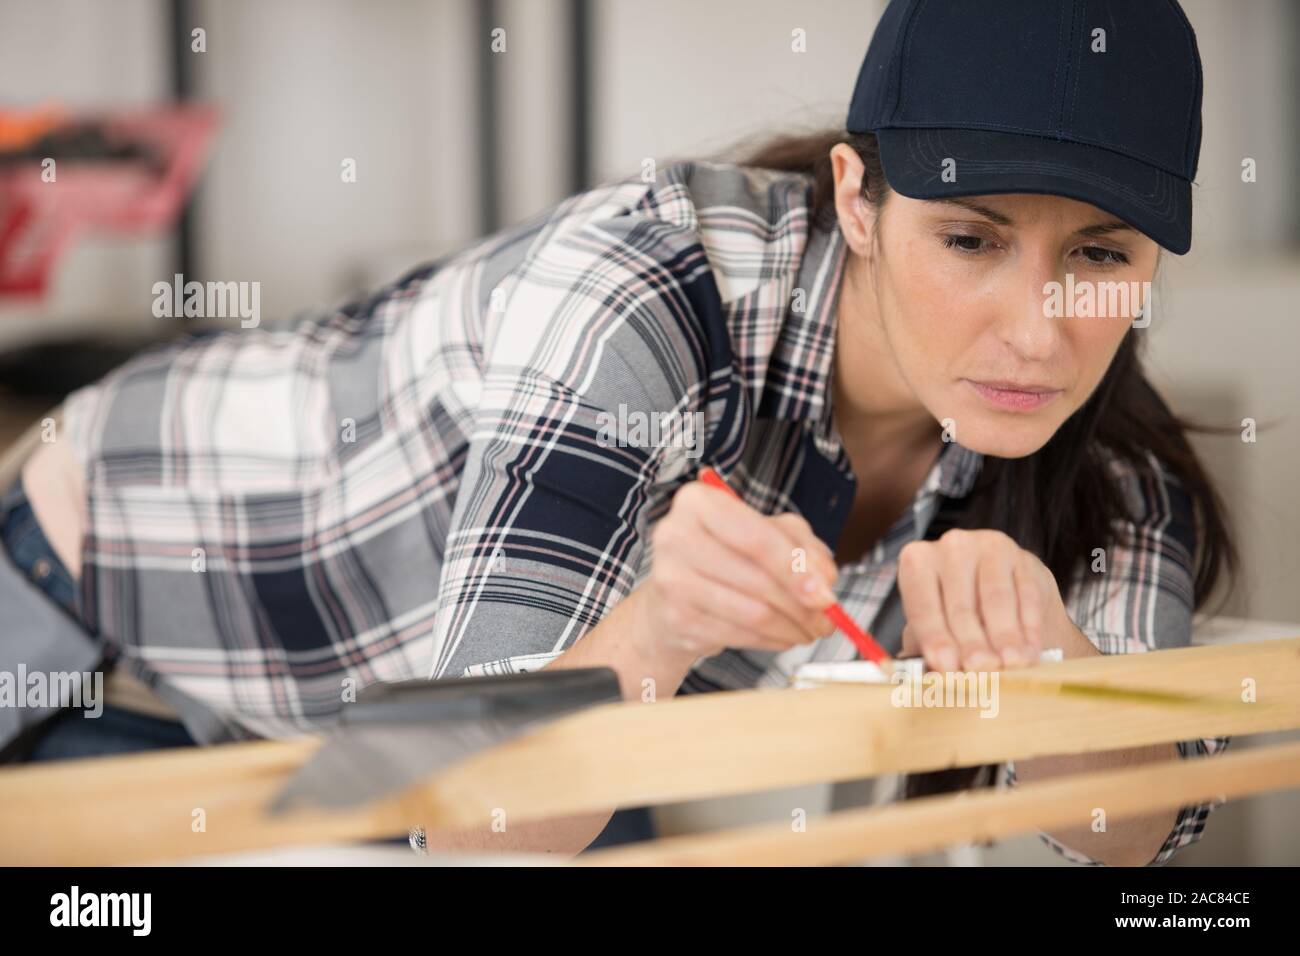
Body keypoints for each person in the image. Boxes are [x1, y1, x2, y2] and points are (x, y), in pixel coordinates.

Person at [2, 0, 1235, 864]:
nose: (1037, 331)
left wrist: (1060, 674)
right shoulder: (642, 296)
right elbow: (460, 810)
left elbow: (1140, 827)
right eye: (970, 240)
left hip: (397, 740)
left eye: (1098, 255)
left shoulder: (1110, 462)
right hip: (115, 579)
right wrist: (662, 626)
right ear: (858, 199)